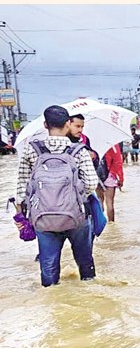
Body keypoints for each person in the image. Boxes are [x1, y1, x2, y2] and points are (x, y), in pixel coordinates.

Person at [13, 105, 100, 287]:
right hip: (77, 218)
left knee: (48, 266)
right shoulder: (80, 151)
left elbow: (21, 188)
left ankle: (51, 299)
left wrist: (22, 215)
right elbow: (92, 184)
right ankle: (89, 294)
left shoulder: (31, 150)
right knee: (85, 263)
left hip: (43, 219)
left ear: (45, 125)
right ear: (68, 124)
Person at [101, 142, 124, 222]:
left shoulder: (93, 143)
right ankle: (111, 223)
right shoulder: (112, 144)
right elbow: (118, 161)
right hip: (110, 174)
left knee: (99, 200)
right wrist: (121, 178)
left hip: (97, 175)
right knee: (109, 201)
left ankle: (100, 223)